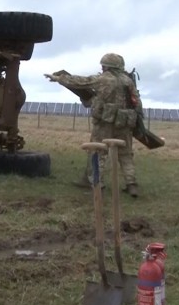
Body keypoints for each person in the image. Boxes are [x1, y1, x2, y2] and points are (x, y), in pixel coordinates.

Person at [45, 53, 140, 197]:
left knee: (98, 152)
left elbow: (81, 81)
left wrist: (59, 78)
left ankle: (97, 186)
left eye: (103, 65)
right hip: (125, 122)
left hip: (105, 122)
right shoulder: (128, 81)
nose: (102, 67)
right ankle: (131, 185)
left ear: (107, 66)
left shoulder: (104, 79)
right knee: (126, 154)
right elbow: (136, 102)